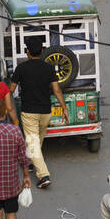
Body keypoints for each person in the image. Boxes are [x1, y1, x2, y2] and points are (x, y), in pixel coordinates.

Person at [8, 37, 69, 189]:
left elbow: (10, 90)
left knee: (33, 143)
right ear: (42, 51)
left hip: (29, 112)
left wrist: (6, 107)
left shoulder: (21, 69)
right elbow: (56, 90)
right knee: (37, 141)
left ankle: (43, 176)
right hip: (45, 112)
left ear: (27, 51)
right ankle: (29, 162)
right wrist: (64, 108)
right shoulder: (49, 68)